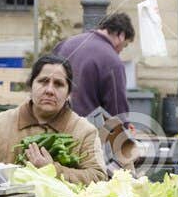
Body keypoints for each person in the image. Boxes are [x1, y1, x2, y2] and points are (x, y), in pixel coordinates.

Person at [0, 54, 107, 185]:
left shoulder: (84, 131)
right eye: (43, 81)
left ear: (68, 94)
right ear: (30, 86)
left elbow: (98, 177)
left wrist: (53, 170)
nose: (49, 90)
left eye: (59, 84)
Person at [53, 13, 134, 167]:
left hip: (53, 133)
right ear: (121, 35)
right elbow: (116, 110)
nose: (121, 51)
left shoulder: (65, 44)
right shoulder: (112, 61)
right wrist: (124, 137)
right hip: (87, 141)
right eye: (125, 46)